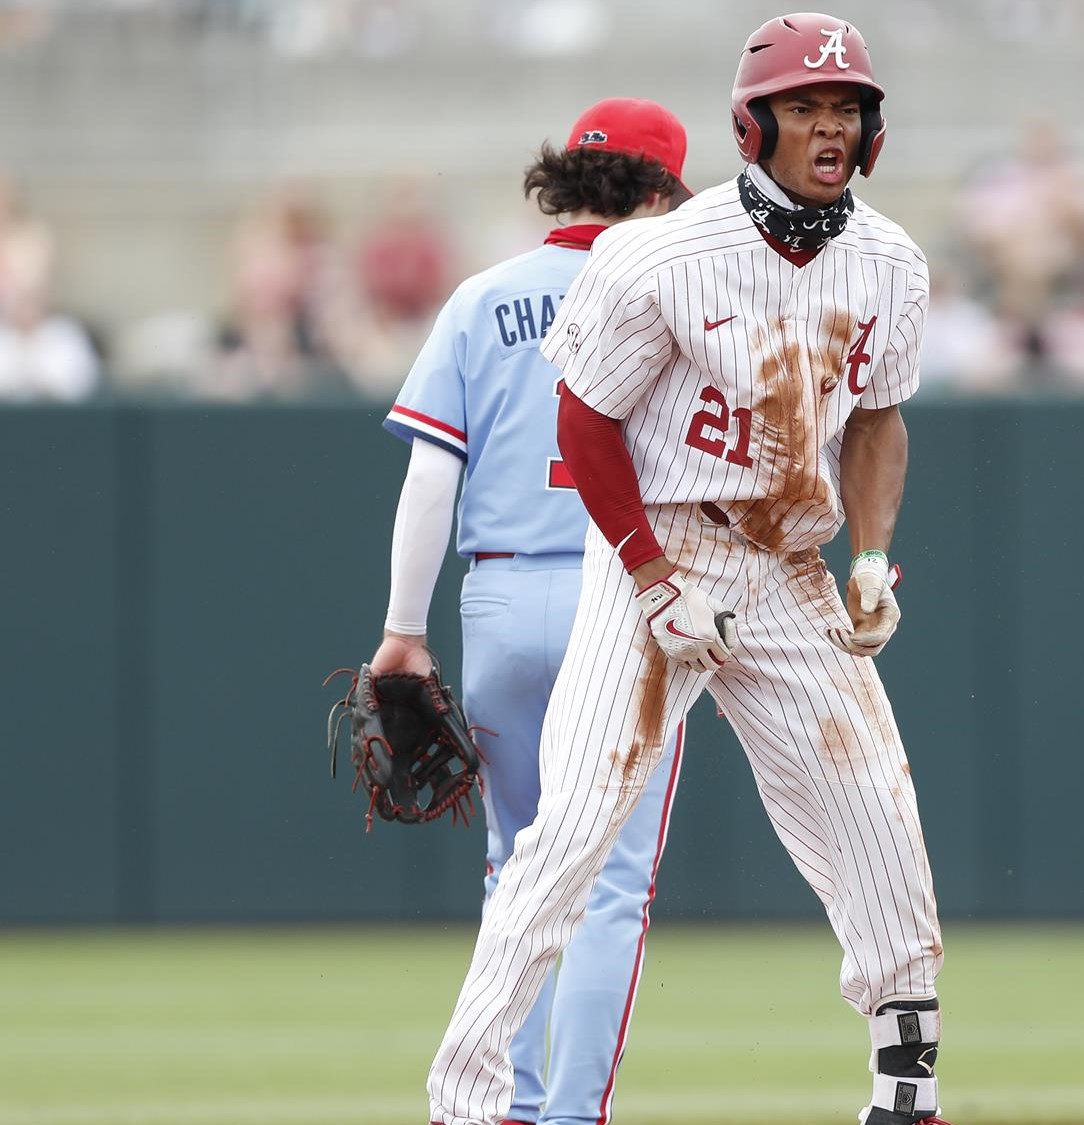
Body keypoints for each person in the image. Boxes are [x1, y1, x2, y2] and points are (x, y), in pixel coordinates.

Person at [427, 14, 949, 1125]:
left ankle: (906, 1095)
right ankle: (464, 1101)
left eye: (846, 109)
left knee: (878, 817)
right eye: (804, 108)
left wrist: (869, 555)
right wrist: (653, 573)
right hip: (660, 547)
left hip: (789, 563)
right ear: (752, 125)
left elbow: (876, 421)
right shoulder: (660, 250)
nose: (828, 127)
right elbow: (584, 424)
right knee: (570, 833)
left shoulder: (891, 261)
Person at [374, 97, 694, 1125]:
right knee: (609, 883)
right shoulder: (680, 299)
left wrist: (405, 628)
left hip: (502, 597)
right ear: (659, 192)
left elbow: (431, 476)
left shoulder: (482, 296)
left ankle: (508, 1106)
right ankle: (572, 1114)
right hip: (629, 596)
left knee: (519, 869)